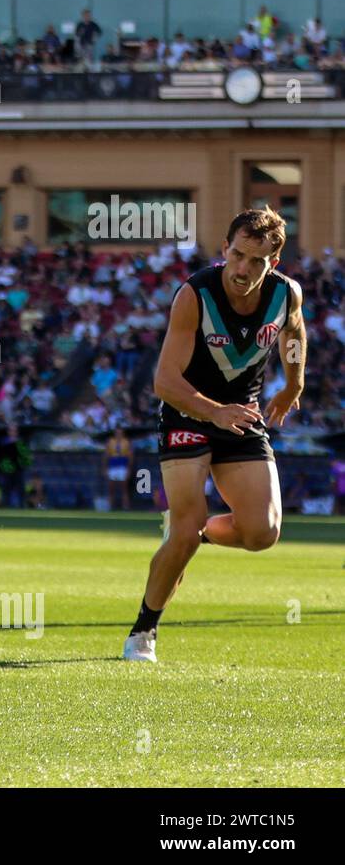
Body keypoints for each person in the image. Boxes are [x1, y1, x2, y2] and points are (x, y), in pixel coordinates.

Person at [124, 209, 304, 664]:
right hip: (188, 412)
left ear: (274, 262)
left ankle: (198, 535)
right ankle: (143, 630)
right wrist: (213, 412)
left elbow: (294, 333)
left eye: (256, 261)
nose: (243, 269)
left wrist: (294, 382)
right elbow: (164, 382)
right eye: (237, 255)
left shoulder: (286, 294)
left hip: (240, 417)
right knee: (183, 531)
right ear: (225, 250)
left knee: (263, 533)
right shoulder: (194, 296)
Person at [104, 426, 133, 510]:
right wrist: (105, 467)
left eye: (120, 432)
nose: (118, 434)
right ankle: (109, 506)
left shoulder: (126, 442)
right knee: (111, 488)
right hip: (112, 465)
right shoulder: (110, 442)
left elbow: (130, 456)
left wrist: (129, 469)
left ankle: (125, 506)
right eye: (117, 432)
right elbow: (106, 455)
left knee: (124, 488)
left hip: (122, 466)